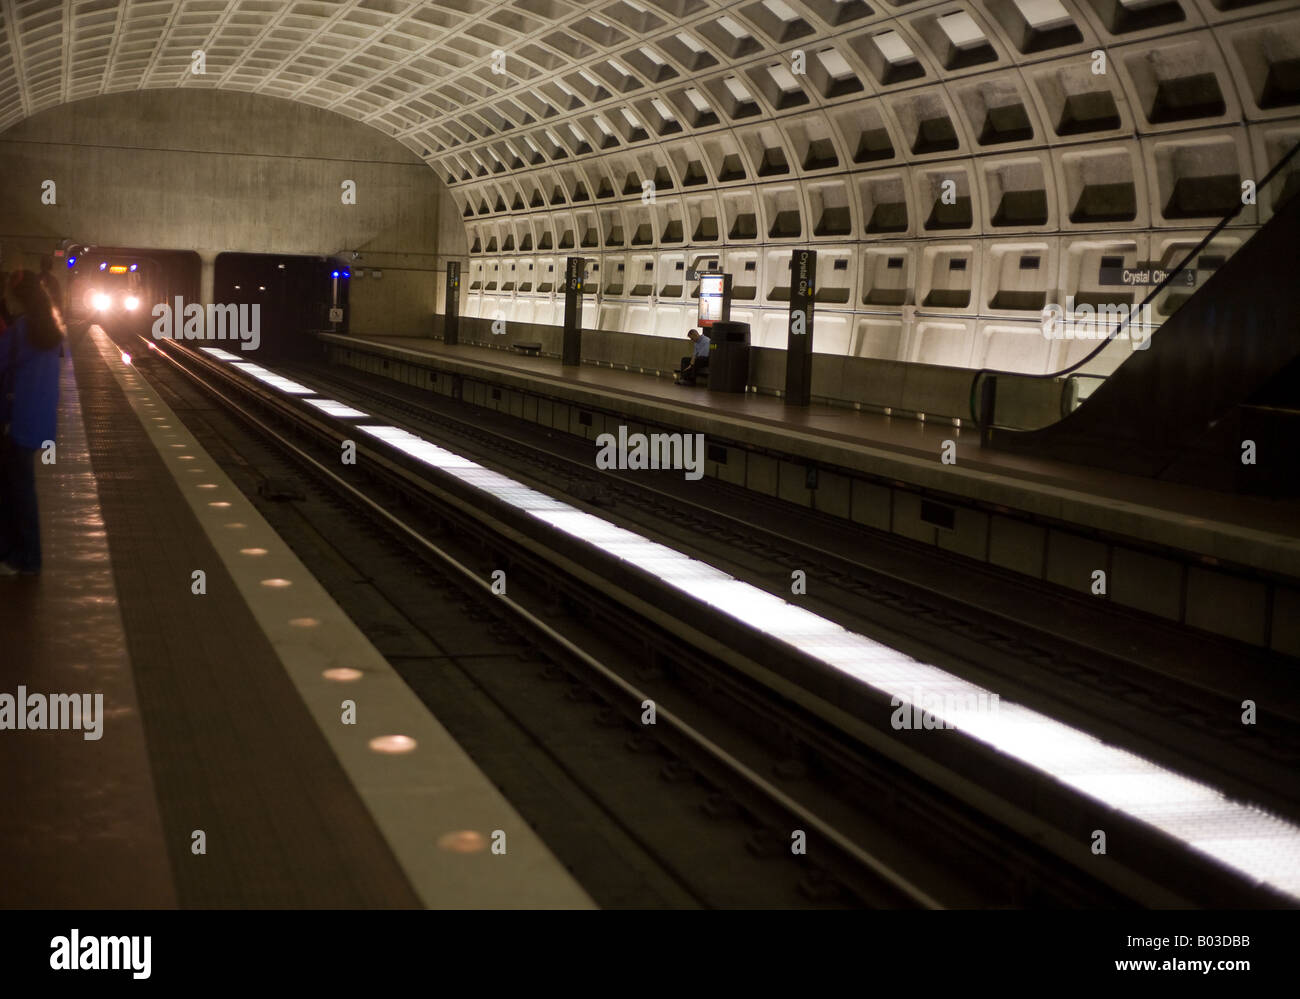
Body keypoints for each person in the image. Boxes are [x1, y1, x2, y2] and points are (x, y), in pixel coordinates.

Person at [0, 269, 66, 577]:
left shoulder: (23, 330)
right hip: (40, 420)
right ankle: (20, 553)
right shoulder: (53, 329)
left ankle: (26, 557)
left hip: (17, 421)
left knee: (18, 491)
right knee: (19, 488)